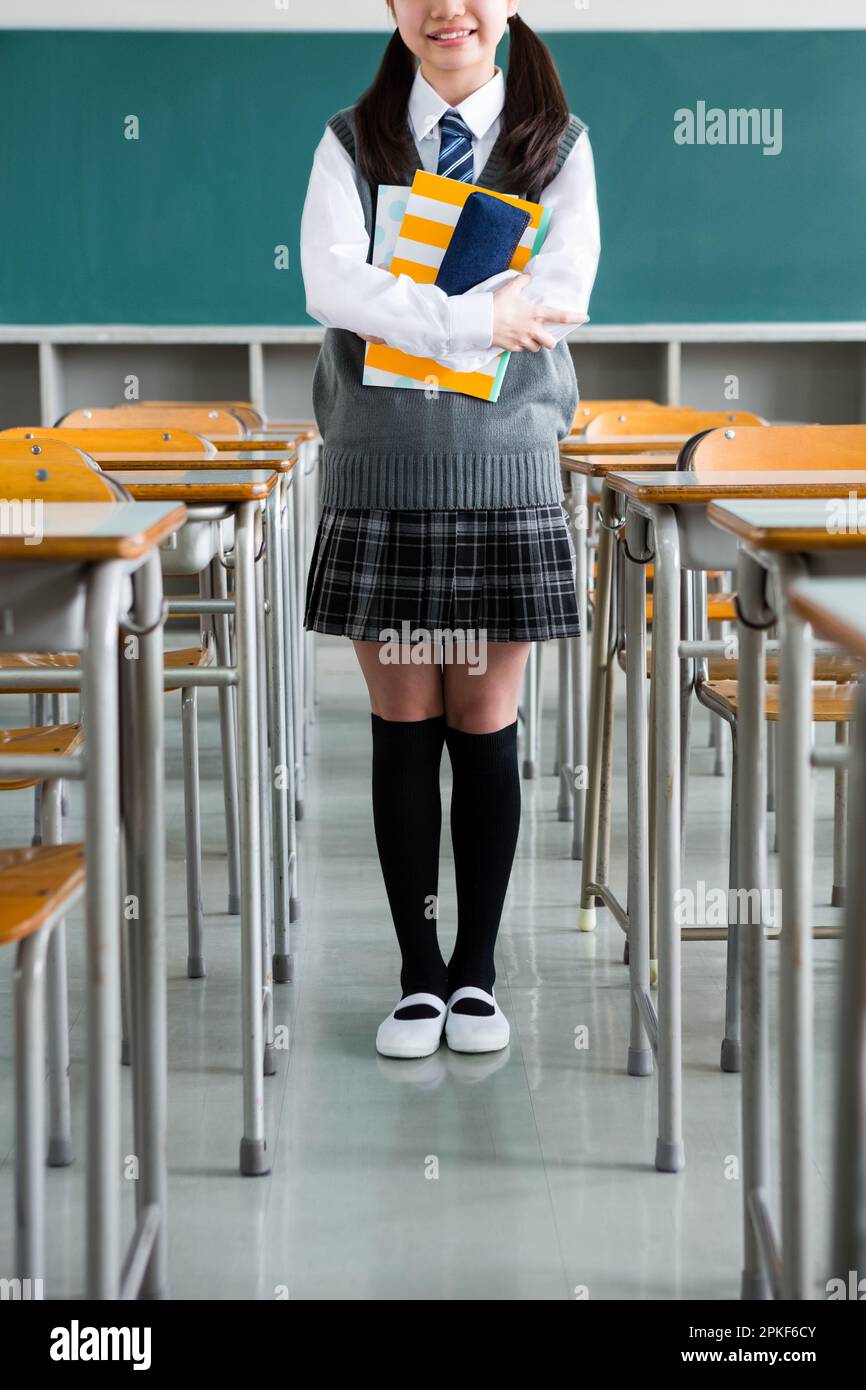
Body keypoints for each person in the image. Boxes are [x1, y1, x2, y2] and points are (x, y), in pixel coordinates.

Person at [300, 0, 600, 1058]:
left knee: (483, 719)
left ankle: (473, 974)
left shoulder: (553, 147)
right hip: (381, 466)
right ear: (391, 8)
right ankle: (414, 976)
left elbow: (558, 297)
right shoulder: (352, 140)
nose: (447, 9)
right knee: (399, 725)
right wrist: (477, 315)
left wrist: (408, 300)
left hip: (501, 466)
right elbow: (332, 286)